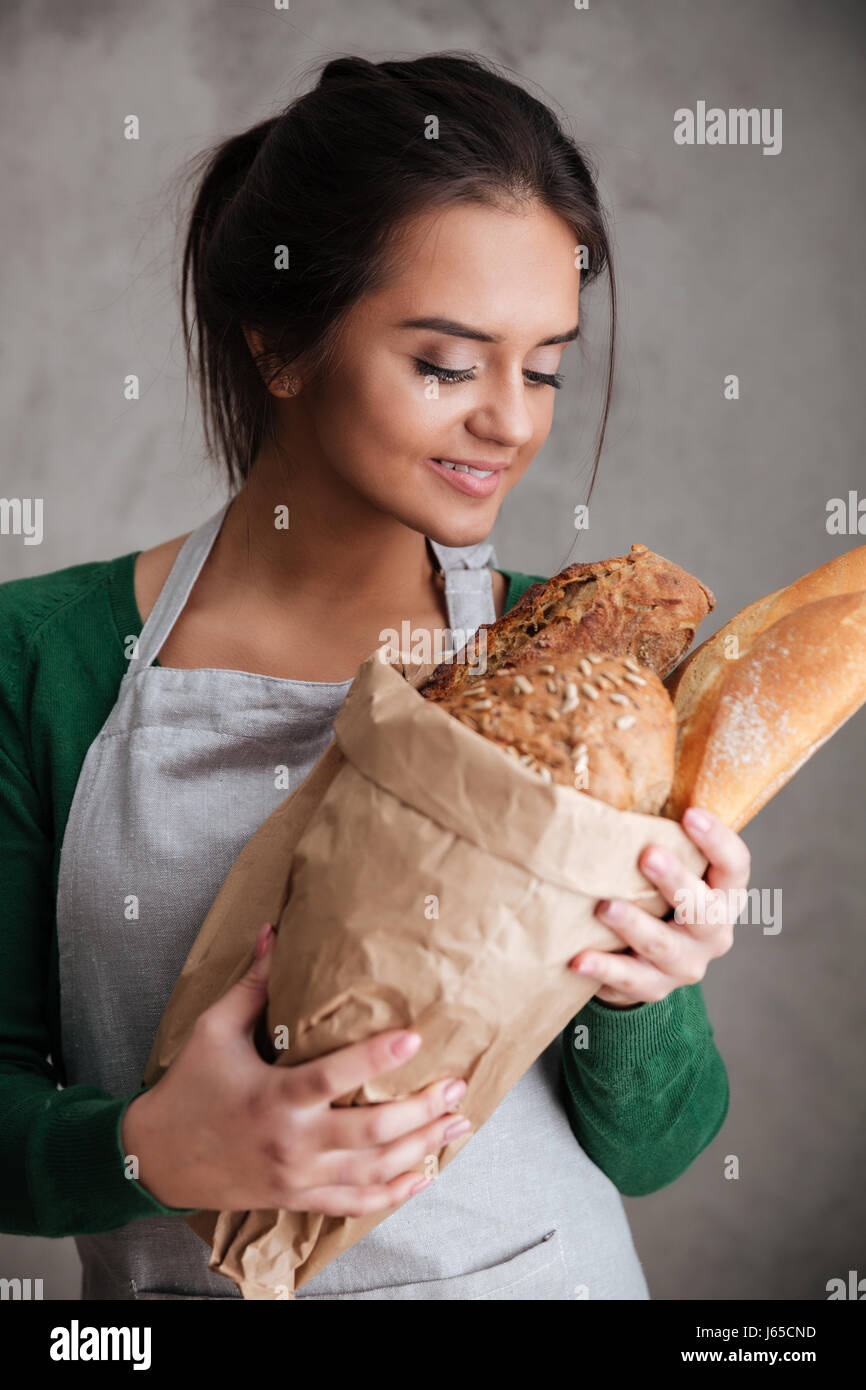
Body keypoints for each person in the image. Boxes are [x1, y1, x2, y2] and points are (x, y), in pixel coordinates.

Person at [0, 52, 749, 1301]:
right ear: (281, 347)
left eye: (546, 364)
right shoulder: (42, 660)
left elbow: (657, 1147)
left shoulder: (580, 675)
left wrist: (643, 990)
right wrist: (151, 1149)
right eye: (448, 364)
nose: (512, 421)